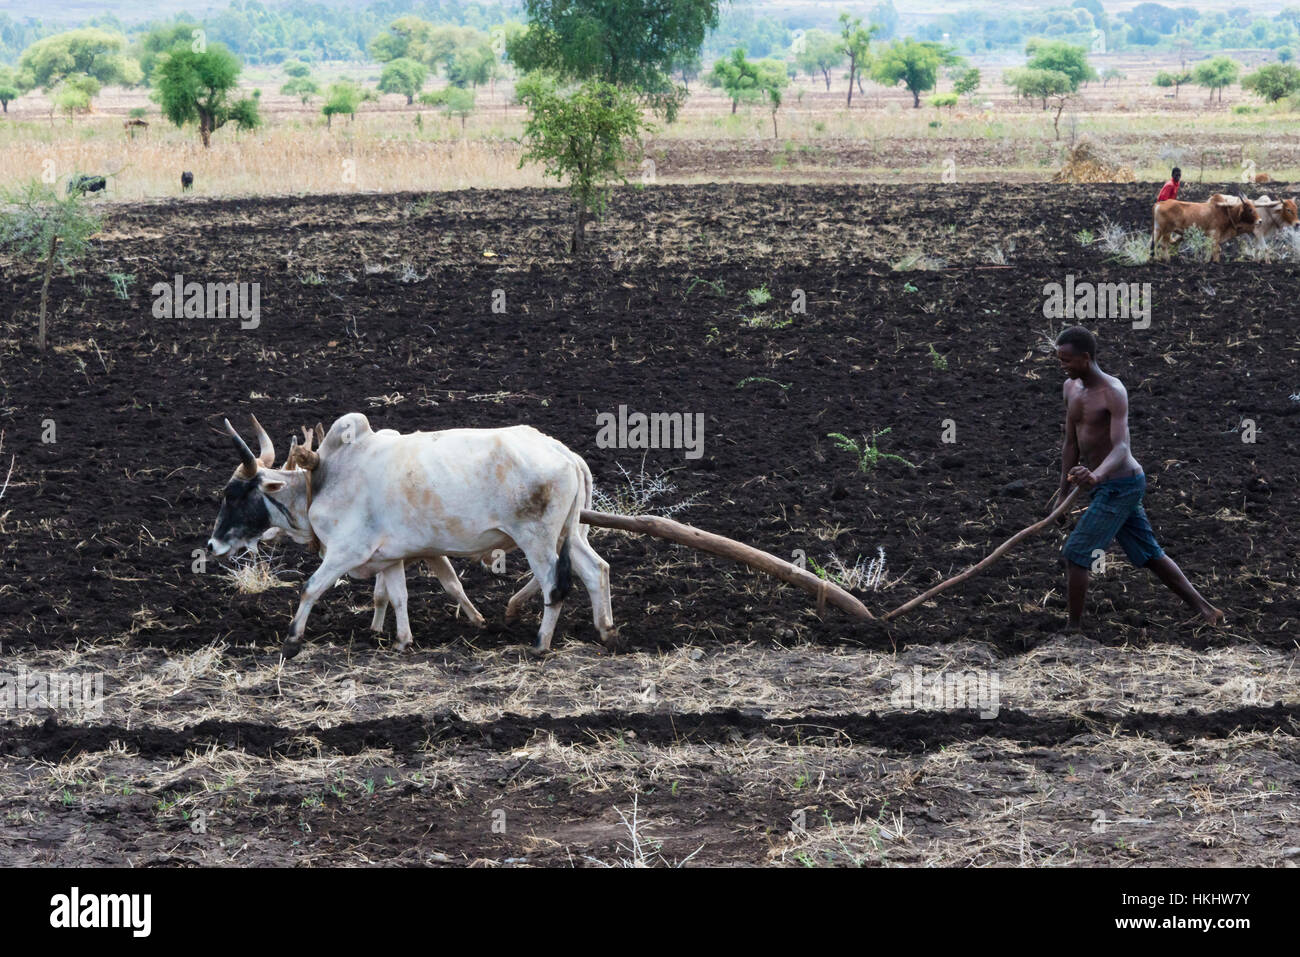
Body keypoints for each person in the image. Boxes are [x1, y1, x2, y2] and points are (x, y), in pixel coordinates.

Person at [1054, 326, 1223, 631]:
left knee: (1076, 555)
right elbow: (1071, 443)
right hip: (1103, 485)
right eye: (1059, 359)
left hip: (1121, 484)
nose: (1062, 365)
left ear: (1085, 357)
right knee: (1149, 554)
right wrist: (1062, 492)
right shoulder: (1070, 388)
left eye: (1067, 360)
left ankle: (1073, 630)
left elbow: (1121, 447)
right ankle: (1208, 611)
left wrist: (1096, 474)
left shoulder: (1112, 392)